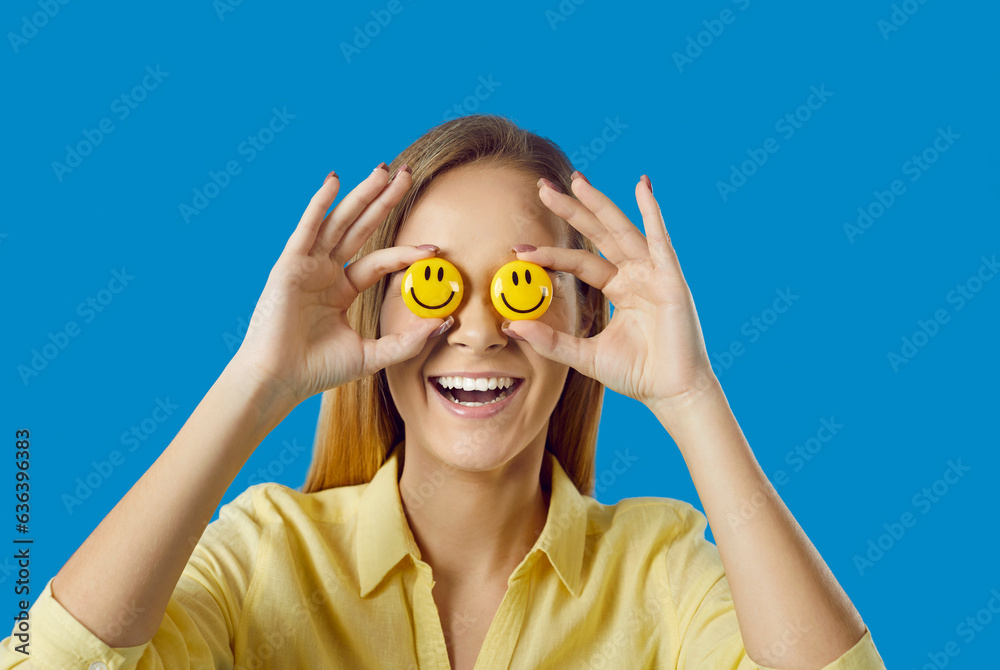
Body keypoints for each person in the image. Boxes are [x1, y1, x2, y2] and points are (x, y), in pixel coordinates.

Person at [1, 115, 887, 669]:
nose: (479, 329)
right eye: (435, 282)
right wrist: (256, 383)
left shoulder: (660, 570)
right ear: (374, 310)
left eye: (521, 285)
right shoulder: (267, 557)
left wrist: (691, 397)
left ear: (587, 316)